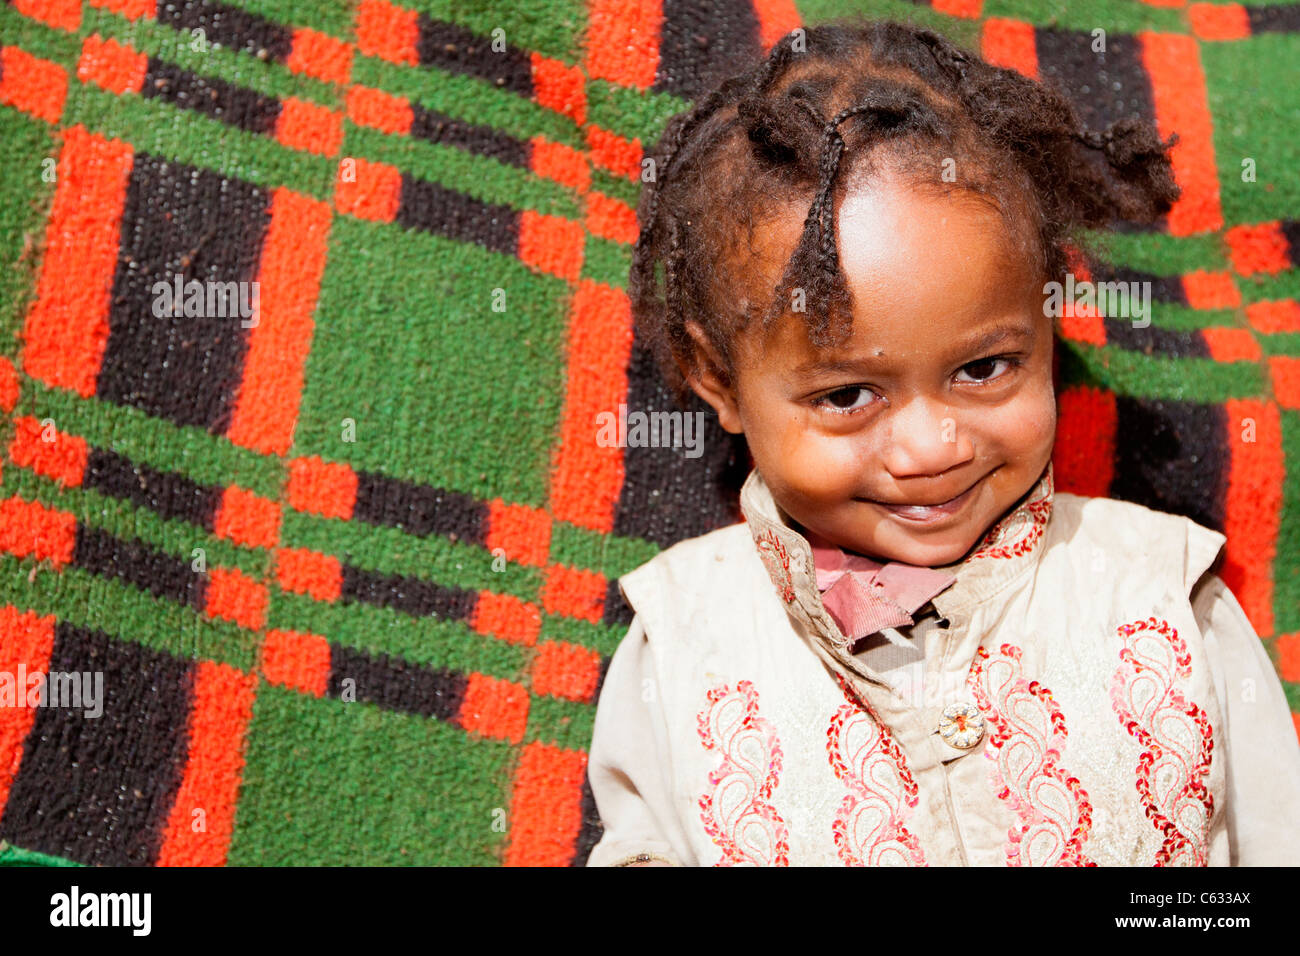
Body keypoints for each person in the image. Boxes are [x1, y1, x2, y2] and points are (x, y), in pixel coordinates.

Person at [584, 18, 1300, 866]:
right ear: (719, 382)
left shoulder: (1170, 597)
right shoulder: (685, 642)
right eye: (847, 395)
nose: (930, 447)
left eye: (985, 368)